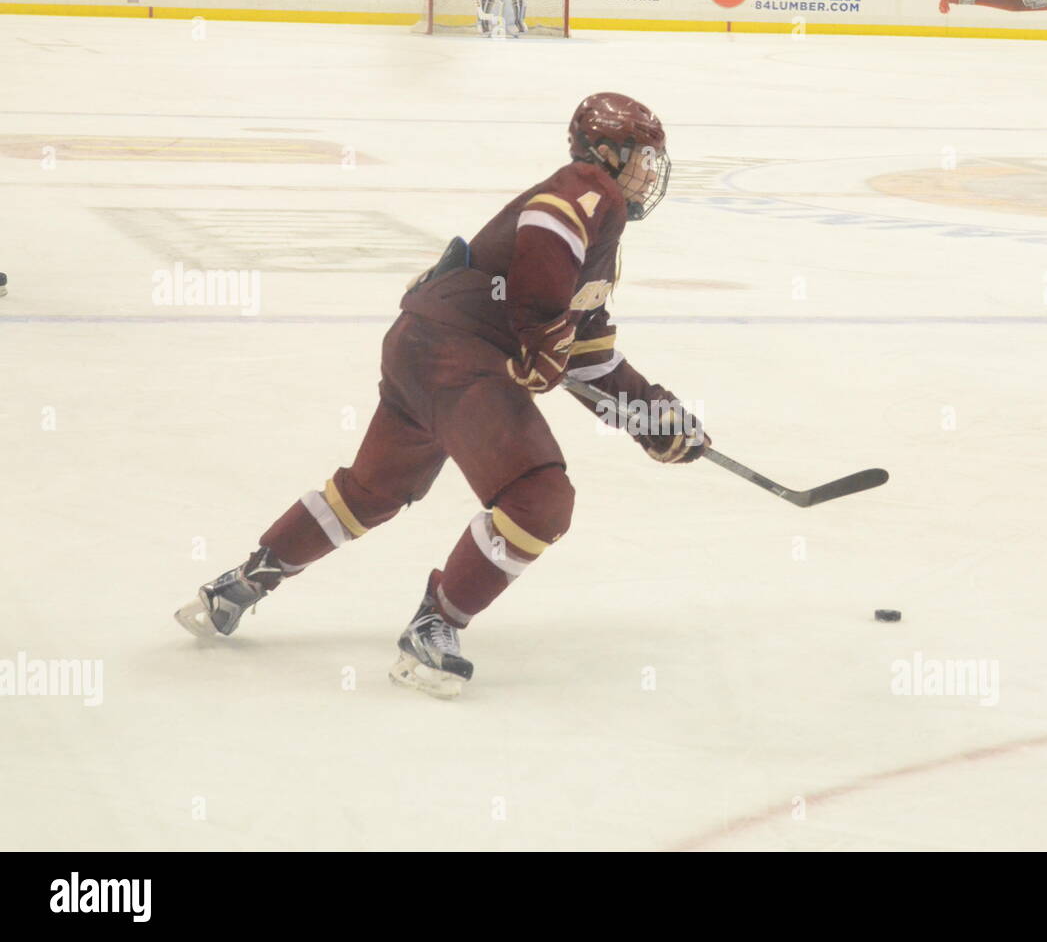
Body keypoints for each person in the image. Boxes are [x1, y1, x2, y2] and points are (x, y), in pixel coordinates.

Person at [174, 93, 709, 699]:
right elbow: (548, 220)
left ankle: (241, 584)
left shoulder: (601, 232)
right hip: (457, 357)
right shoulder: (591, 191)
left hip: (420, 347)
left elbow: (589, 358)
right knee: (539, 498)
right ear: (607, 154)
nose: (647, 173)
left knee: (370, 492)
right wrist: (538, 328)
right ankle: (434, 629)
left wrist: (653, 417)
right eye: (641, 157)